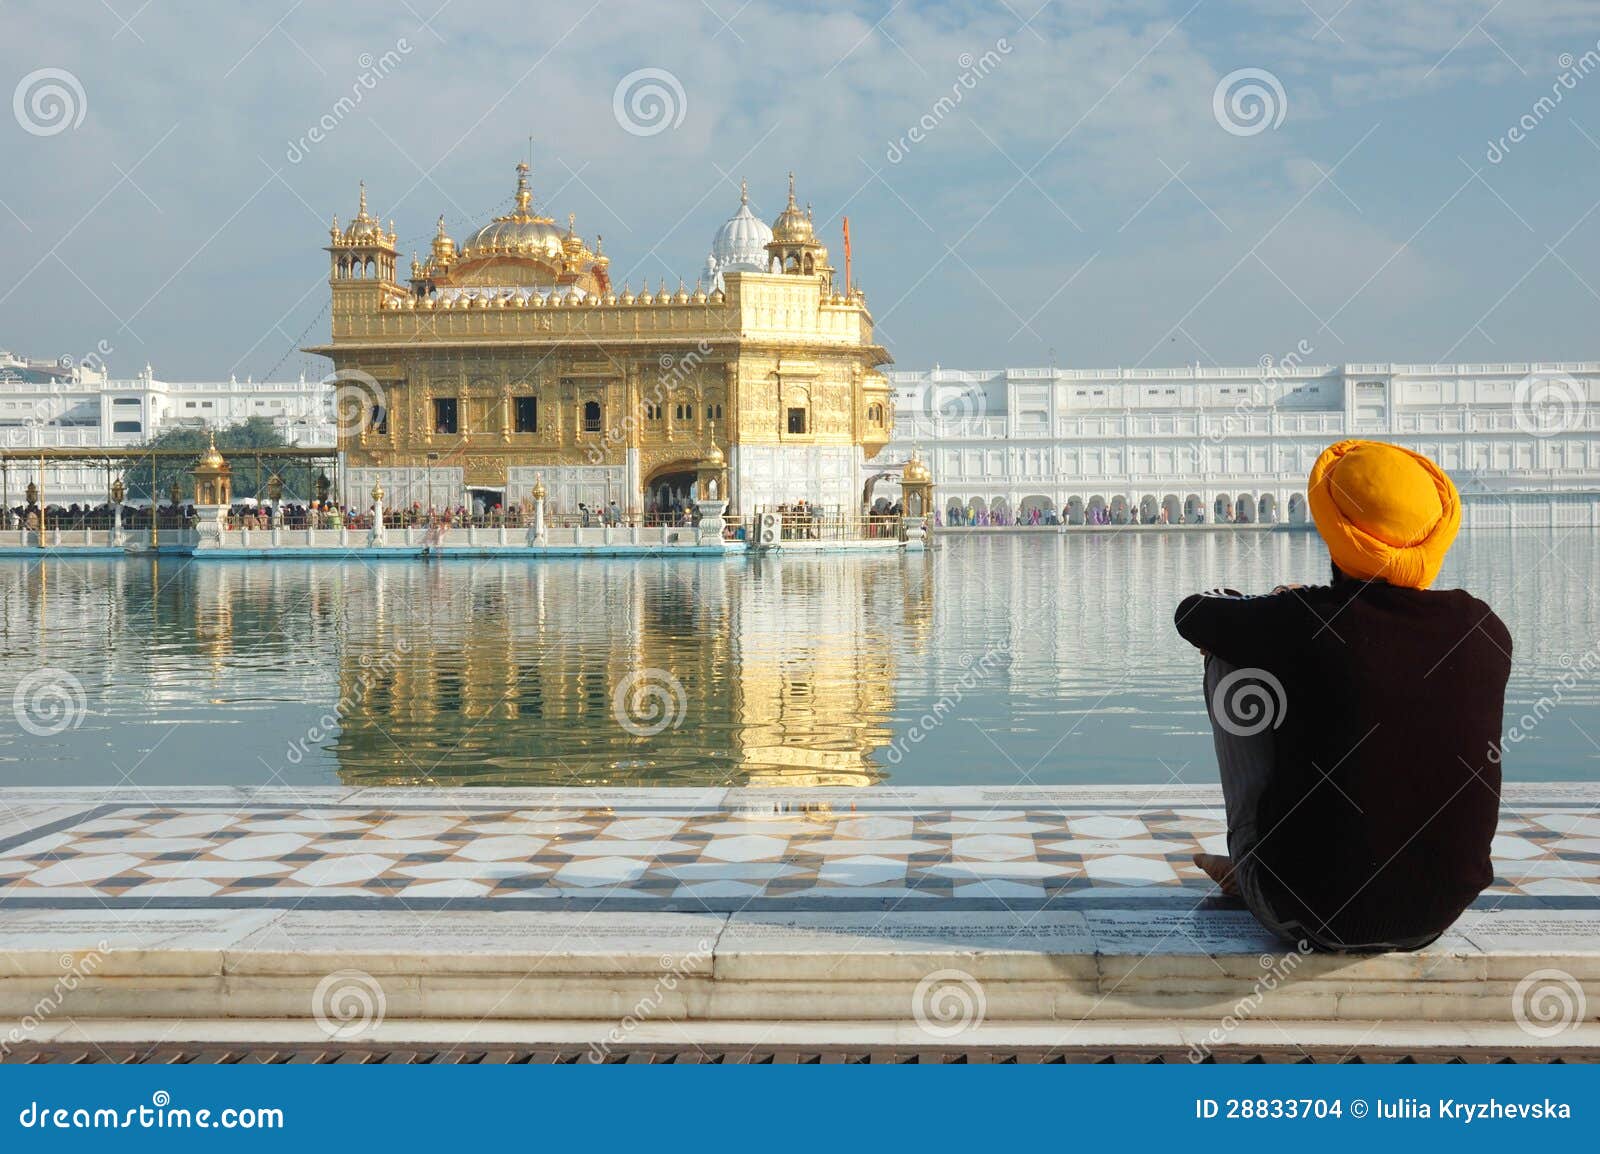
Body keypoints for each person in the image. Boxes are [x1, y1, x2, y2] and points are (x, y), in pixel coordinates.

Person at [1174, 440, 1510, 953]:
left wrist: (1276, 604)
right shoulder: (1483, 627)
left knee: (1228, 660)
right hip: (1436, 916)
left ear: (1334, 530)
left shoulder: (1304, 620)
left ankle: (1252, 867)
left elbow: (1193, 614)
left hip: (1308, 912)